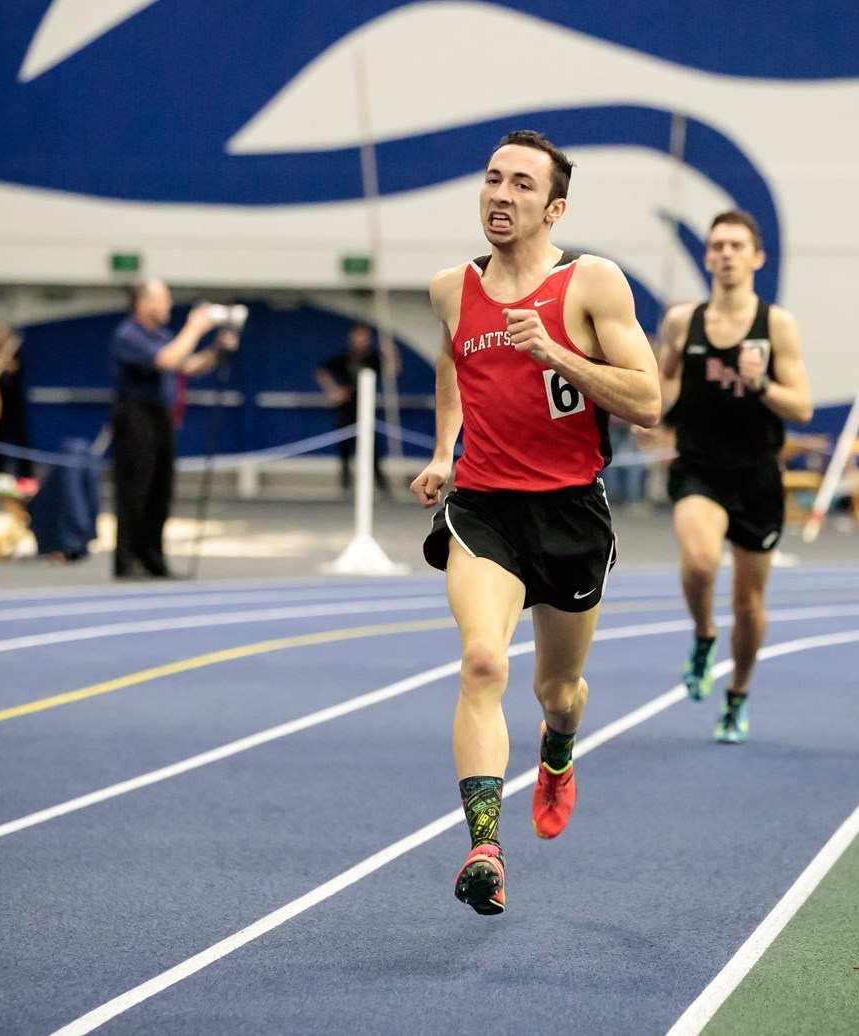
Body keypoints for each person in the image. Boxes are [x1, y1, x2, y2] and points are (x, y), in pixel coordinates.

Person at [412, 130, 659, 916]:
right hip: (484, 508)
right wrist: (445, 450)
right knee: (483, 662)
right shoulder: (451, 288)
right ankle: (485, 846)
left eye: (521, 184)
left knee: (559, 689)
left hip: (570, 512)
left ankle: (558, 748)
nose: (500, 195)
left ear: (554, 208)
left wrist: (557, 354)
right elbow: (453, 371)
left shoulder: (592, 283)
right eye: (492, 179)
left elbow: (648, 401)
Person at [653, 209, 812, 743]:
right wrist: (651, 415)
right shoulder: (684, 321)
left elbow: (802, 407)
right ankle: (703, 634)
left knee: (749, 603)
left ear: (756, 257)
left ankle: (737, 694)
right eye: (717, 245)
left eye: (736, 246)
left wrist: (761, 382)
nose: (725, 254)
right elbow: (659, 377)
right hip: (699, 466)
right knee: (699, 563)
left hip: (757, 476)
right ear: (707, 256)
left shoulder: (777, 325)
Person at [108, 278, 238, 579]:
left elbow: (186, 365)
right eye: (163, 299)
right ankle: (128, 559)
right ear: (143, 303)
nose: (168, 305)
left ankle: (153, 557)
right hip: (134, 416)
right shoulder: (129, 335)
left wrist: (216, 350)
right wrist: (194, 327)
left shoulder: (162, 334)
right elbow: (166, 360)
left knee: (161, 490)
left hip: (160, 417)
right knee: (135, 491)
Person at [314, 321, 397, 495]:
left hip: (367, 410)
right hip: (346, 409)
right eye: (357, 335)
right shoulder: (344, 357)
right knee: (344, 449)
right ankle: (345, 486)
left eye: (363, 336)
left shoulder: (374, 358)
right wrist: (333, 391)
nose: (360, 339)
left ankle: (383, 486)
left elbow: (392, 369)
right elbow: (322, 370)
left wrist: (390, 350)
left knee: (373, 450)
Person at [0, 322, 30, 480]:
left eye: (0, 336)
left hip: (15, 406)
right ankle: (0, 475)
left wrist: (4, 358)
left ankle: (26, 476)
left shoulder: (16, 353)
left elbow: (15, 367)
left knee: (21, 440)